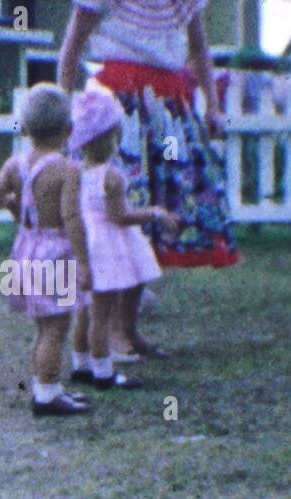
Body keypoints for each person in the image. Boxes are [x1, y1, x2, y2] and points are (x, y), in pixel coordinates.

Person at [57, 0, 238, 360]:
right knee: (119, 211)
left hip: (168, 110)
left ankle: (129, 327)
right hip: (118, 106)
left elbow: (199, 49)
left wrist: (213, 105)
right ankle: (108, 330)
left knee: (156, 210)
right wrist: (65, 110)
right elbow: (72, 46)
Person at [0, 83, 92, 416]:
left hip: (26, 248)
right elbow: (71, 218)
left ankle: (48, 387)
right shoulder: (68, 169)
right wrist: (83, 262)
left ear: (25, 129)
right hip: (54, 252)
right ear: (68, 131)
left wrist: (14, 204)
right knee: (57, 328)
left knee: (43, 327)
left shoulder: (16, 165)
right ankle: (46, 395)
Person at [68, 89, 180, 390]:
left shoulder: (77, 173)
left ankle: (79, 362)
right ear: (112, 137)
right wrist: (154, 213)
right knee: (101, 313)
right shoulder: (112, 176)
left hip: (86, 241)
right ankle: (103, 371)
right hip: (107, 245)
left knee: (85, 310)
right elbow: (119, 216)